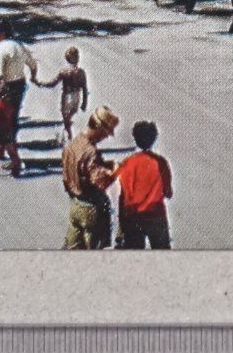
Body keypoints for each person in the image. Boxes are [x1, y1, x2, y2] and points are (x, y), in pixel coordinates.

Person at [62, 105, 121, 249]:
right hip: (91, 210)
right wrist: (115, 171)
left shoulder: (75, 143)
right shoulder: (91, 152)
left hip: (75, 205)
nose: (106, 136)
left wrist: (104, 165)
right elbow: (100, 182)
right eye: (106, 133)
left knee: (72, 248)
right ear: (99, 128)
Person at [0, 19, 38, 174]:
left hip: (6, 87)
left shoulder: (0, 49)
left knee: (1, 120)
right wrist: (33, 77)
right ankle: (8, 150)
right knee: (13, 118)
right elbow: (33, 64)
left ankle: (7, 154)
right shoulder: (19, 46)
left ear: (1, 33)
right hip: (19, 85)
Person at [115, 119, 174, 249]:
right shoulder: (161, 162)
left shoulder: (128, 163)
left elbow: (123, 196)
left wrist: (122, 224)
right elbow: (168, 193)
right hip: (156, 215)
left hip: (133, 217)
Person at [34, 45, 90, 144]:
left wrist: (40, 83)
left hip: (67, 96)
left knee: (66, 118)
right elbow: (84, 88)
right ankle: (67, 134)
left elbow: (52, 83)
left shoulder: (64, 71)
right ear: (78, 58)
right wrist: (84, 103)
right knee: (69, 116)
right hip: (77, 96)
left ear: (67, 59)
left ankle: (69, 137)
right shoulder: (81, 72)